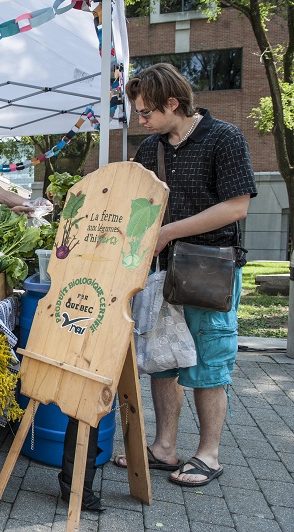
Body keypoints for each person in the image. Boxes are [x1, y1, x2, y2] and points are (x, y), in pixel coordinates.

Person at [111, 63, 257, 489]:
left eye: (146, 113)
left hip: (210, 270)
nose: (141, 121)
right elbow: (136, 204)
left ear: (172, 103)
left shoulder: (224, 138)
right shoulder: (149, 149)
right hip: (160, 274)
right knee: (162, 361)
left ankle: (208, 455)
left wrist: (168, 232)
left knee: (211, 364)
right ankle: (163, 447)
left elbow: (236, 207)